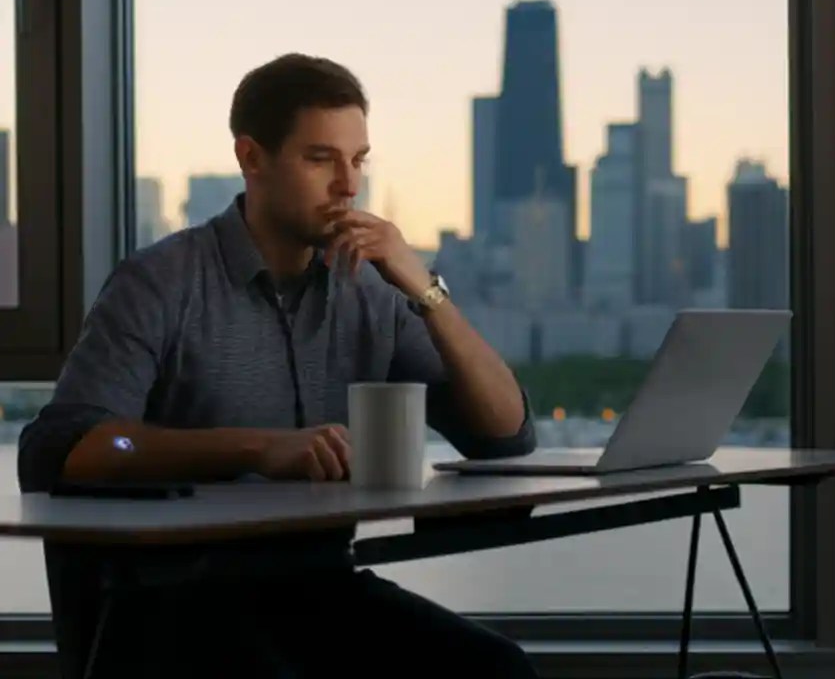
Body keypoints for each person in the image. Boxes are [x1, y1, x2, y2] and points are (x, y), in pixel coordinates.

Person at [18, 53, 540, 678]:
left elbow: (505, 435)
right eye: (321, 159)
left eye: (358, 160)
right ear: (251, 158)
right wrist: (257, 448)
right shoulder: (160, 283)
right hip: (172, 602)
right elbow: (69, 448)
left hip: (316, 590)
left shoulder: (370, 290)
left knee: (497, 669)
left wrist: (422, 286)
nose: (348, 185)